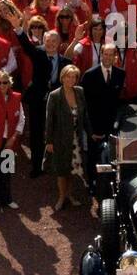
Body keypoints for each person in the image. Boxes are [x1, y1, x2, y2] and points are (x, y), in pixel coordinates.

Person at [10, 6, 68, 175]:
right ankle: (36, 166)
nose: (50, 44)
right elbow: (26, 46)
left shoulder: (65, 61)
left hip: (56, 101)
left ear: (58, 44)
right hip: (37, 99)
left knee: (54, 132)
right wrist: (18, 28)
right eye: (47, 41)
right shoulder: (38, 54)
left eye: (53, 42)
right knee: (36, 132)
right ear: (44, 41)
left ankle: (54, 164)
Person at [81, 44, 126, 192]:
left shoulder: (120, 74)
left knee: (112, 155)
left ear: (115, 57)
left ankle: (110, 184)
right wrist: (90, 129)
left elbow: (119, 101)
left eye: (110, 55)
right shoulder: (89, 75)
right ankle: (92, 183)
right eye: (105, 54)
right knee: (93, 156)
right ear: (101, 55)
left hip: (112, 125)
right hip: (95, 125)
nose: (107, 57)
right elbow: (85, 105)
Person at [45, 64, 86, 211]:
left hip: (76, 138)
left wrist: (90, 132)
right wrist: (49, 141)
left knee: (72, 169)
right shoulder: (55, 95)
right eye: (68, 76)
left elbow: (85, 115)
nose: (71, 79)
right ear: (62, 77)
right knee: (62, 170)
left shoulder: (79, 92)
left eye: (74, 76)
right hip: (60, 139)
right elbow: (49, 120)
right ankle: (61, 197)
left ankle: (69, 195)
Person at [0, 68, 24, 216]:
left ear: (9, 83)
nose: (2, 85)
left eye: (5, 82)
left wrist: (13, 137)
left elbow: (22, 119)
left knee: (6, 171)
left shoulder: (16, 97)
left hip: (9, 141)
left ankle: (6, 199)